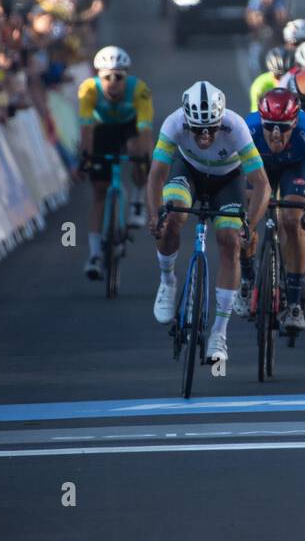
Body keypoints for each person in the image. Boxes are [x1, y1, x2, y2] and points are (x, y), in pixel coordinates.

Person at [148, 81, 270, 365]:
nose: (204, 137)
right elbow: (155, 175)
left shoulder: (236, 126)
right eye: (198, 130)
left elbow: (261, 185)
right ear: (186, 120)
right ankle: (167, 281)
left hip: (227, 181)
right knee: (172, 216)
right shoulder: (174, 123)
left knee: (229, 240)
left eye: (211, 129)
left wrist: (249, 225)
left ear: (221, 120)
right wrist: (155, 215)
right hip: (188, 171)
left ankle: (219, 333)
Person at [243, 88, 305, 333]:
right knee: (247, 214)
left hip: (294, 167)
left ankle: (294, 304)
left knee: (293, 221)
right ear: (261, 121)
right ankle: (247, 277)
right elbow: (231, 177)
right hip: (260, 166)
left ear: (294, 123)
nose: (275, 134)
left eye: (283, 128)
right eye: (269, 126)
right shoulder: (247, 129)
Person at [77, 46, 154, 279]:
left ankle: (138, 201)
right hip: (101, 131)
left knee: (138, 152)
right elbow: (87, 130)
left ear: (126, 76)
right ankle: (94, 255)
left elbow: (145, 132)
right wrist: (86, 159)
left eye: (118, 76)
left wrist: (145, 160)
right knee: (100, 190)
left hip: (129, 129)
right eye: (106, 77)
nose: (113, 82)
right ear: (98, 76)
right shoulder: (88, 89)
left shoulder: (139, 90)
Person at [249, 47, 293, 112]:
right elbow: (255, 113)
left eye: (285, 76)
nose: (281, 80)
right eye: (277, 76)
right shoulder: (260, 85)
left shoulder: (296, 81)